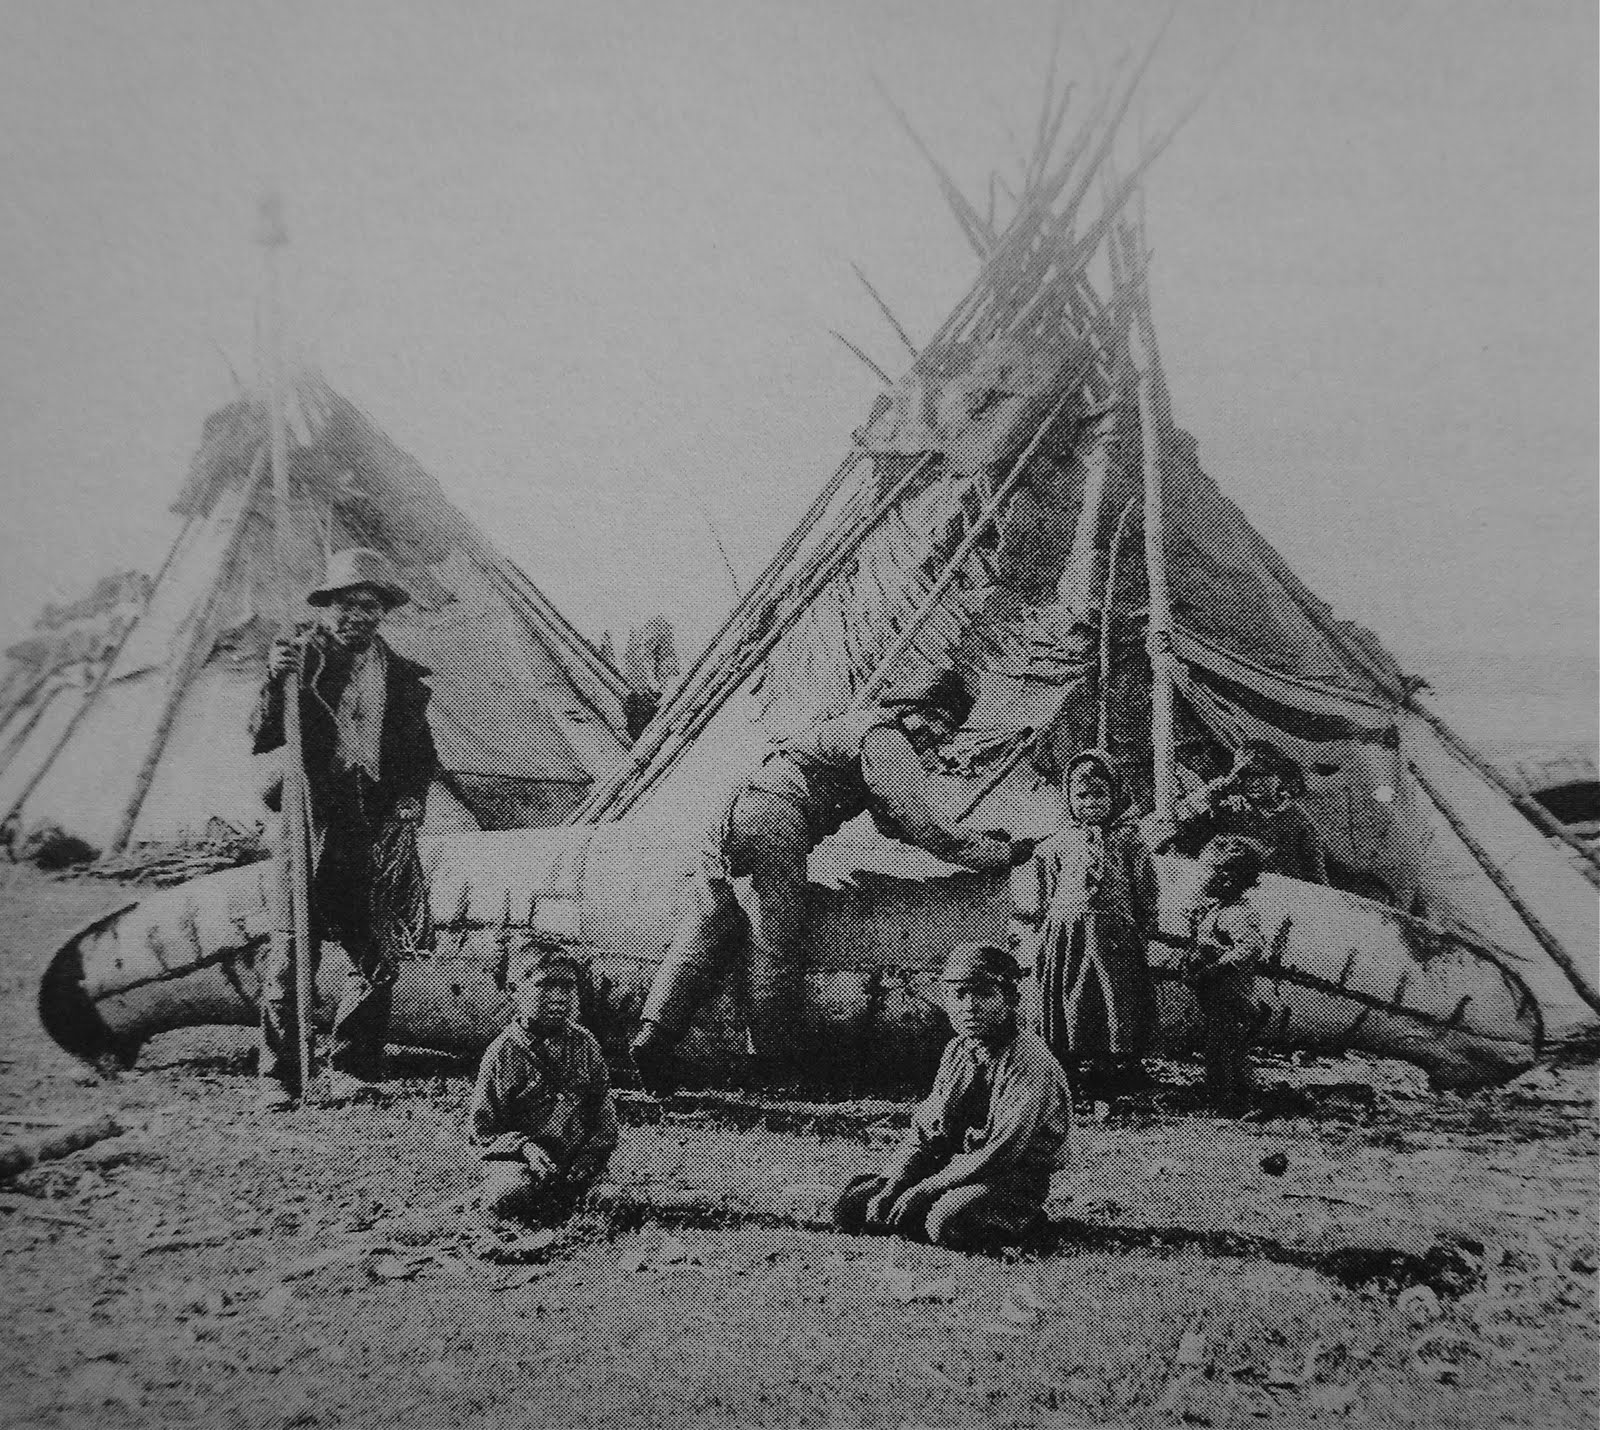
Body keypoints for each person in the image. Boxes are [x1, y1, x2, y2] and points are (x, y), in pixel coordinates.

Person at [630, 668, 1033, 1094]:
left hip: (730, 812)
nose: (942, 740)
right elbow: (926, 829)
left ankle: (654, 1037)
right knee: (776, 943)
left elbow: (890, 823)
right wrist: (1001, 853)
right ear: (916, 712)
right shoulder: (886, 741)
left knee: (710, 921)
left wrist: (971, 838)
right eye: (940, 726)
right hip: (777, 819)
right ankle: (776, 1066)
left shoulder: (858, 727)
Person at [251, 548, 437, 1109]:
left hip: (370, 823)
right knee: (290, 950)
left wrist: (408, 802)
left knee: (377, 950)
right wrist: (272, 680)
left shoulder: (401, 677)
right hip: (309, 814)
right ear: (327, 606)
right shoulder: (299, 661)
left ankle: (352, 1066)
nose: (361, 616)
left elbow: (419, 754)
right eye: (350, 605)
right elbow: (263, 736)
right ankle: (280, 1077)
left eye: (373, 607)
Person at [831, 941, 1071, 1252]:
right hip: (952, 1165)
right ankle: (936, 1208)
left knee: (945, 1224)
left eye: (984, 994)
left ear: (1010, 1000)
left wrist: (925, 1189)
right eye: (959, 995)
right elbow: (927, 1131)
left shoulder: (1030, 1061)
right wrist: (897, 1181)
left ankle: (1023, 1221)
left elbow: (1002, 1152)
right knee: (852, 1207)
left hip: (1008, 1177)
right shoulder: (958, 1050)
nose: (970, 1006)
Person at [1012, 749, 1159, 1102]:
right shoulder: (1055, 845)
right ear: (1068, 798)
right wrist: (1040, 930)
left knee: (1113, 996)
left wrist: (1146, 928)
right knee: (1069, 996)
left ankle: (1112, 1068)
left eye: (1100, 795)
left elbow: (1146, 889)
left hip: (1113, 935)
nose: (1091, 803)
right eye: (1082, 795)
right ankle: (1067, 1069)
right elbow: (1045, 893)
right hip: (1067, 934)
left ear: (1115, 796)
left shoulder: (1131, 841)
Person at [468, 946, 619, 1225]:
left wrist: (588, 1159)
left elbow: (605, 1121)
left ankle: (571, 1201)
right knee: (509, 1194)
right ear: (515, 989)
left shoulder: (586, 1046)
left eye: (567, 987)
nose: (559, 998)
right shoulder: (501, 1054)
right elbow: (482, 1132)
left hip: (576, 1163)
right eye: (545, 986)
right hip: (521, 1164)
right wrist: (524, 1148)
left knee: (611, 1200)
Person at [1182, 837, 1269, 1113]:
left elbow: (1252, 945)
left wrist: (1217, 967)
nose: (1199, 876)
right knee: (1226, 1047)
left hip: (1230, 997)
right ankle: (1233, 1098)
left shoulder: (1235, 914)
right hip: (1220, 997)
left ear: (1227, 878)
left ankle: (1233, 1102)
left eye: (1205, 870)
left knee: (1224, 1048)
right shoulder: (1219, 909)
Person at [1171, 740, 1326, 884]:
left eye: (1262, 775)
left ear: (1279, 776)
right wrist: (1211, 793)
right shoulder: (1229, 810)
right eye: (1246, 776)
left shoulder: (1299, 822)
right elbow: (1178, 826)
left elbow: (1316, 879)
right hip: (1234, 893)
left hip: (1280, 896)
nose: (1254, 783)